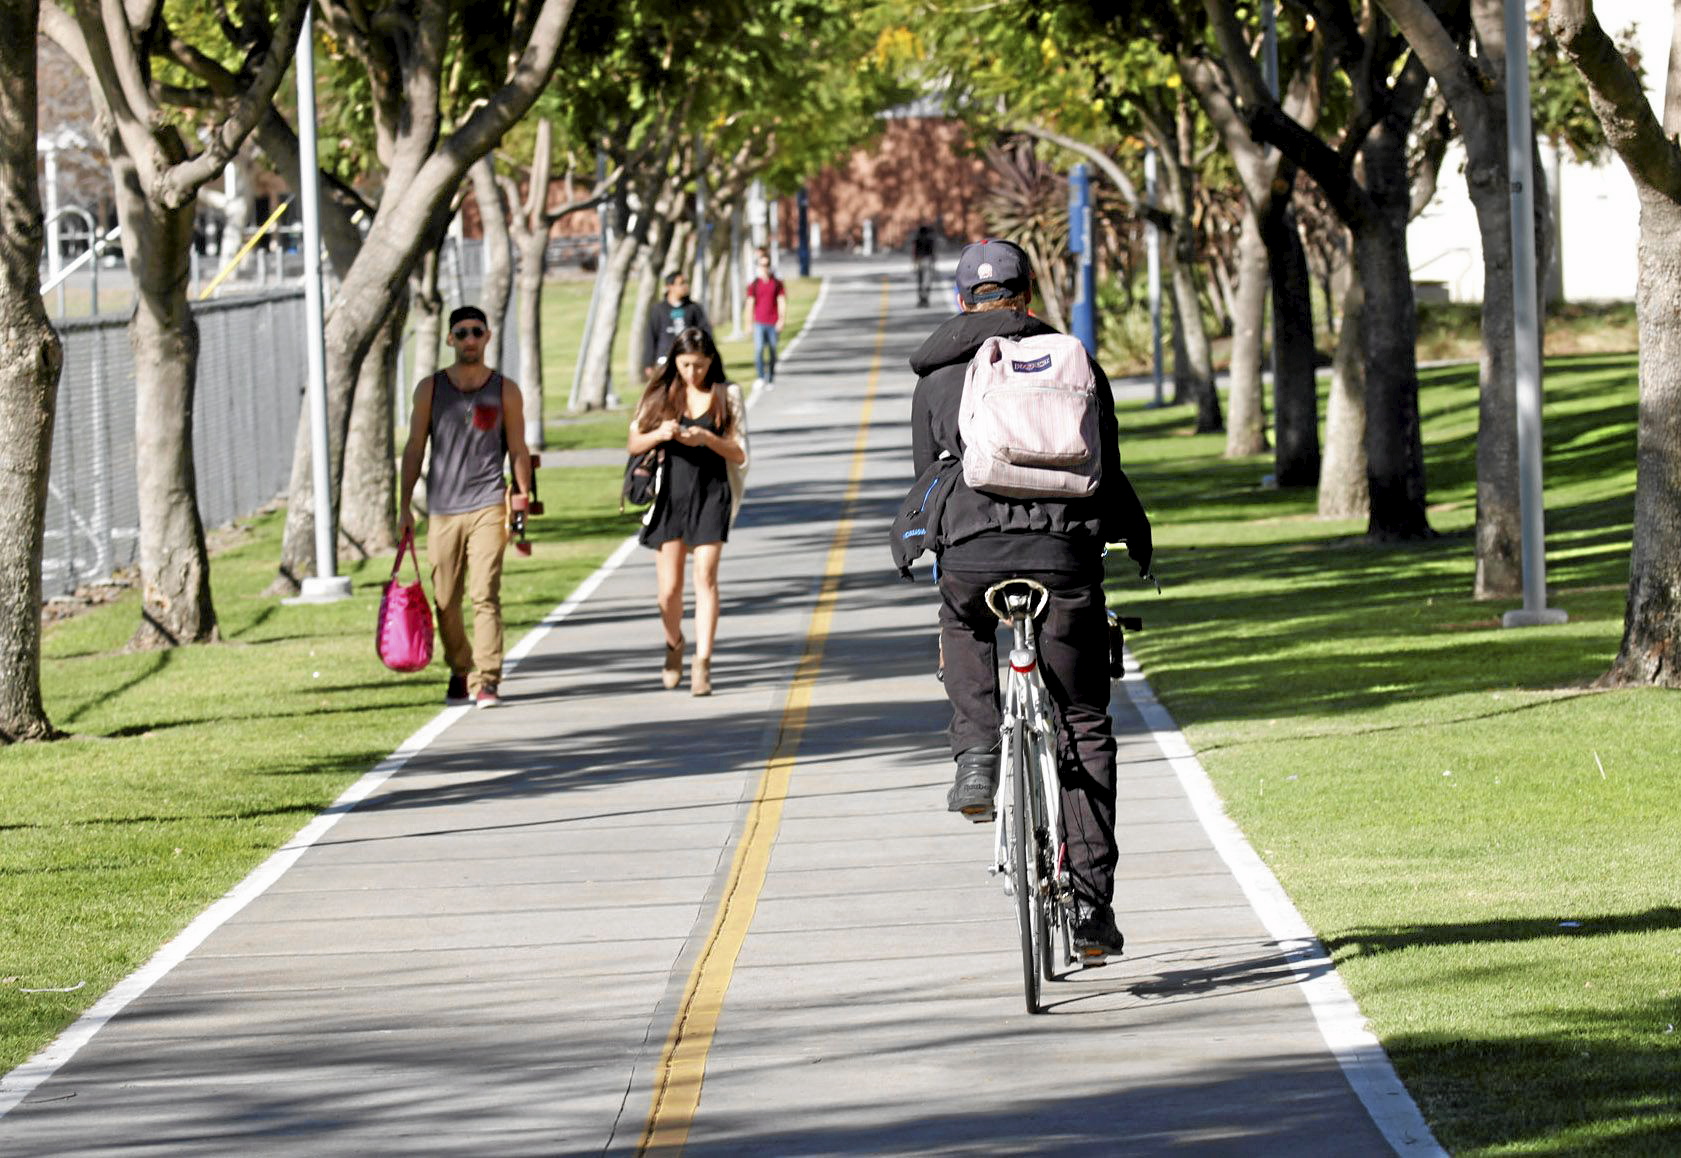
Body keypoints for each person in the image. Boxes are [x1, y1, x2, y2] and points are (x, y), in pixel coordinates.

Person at [905, 239, 1153, 958]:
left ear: (962, 302)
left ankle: (977, 755)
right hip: (1064, 555)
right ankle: (1089, 909)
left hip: (974, 558)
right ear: (1028, 295)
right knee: (1082, 720)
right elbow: (1106, 465)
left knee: (960, 617)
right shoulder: (1073, 359)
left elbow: (927, 482)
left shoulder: (933, 379)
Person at [398, 305, 533, 709]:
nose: (470, 339)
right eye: (462, 333)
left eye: (476, 332)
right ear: (450, 340)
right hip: (442, 508)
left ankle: (487, 679)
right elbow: (414, 448)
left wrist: (522, 495)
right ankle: (460, 667)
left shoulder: (505, 389)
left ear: (488, 337)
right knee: (444, 600)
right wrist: (404, 505)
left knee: (484, 594)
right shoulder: (430, 389)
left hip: (489, 504)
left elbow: (518, 448)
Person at [627, 327, 749, 697]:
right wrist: (661, 433)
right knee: (669, 592)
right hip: (670, 496)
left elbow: (740, 452)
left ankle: (703, 662)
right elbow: (634, 442)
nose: (692, 373)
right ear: (675, 362)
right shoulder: (661, 394)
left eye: (698, 365)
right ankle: (674, 644)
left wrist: (707, 439)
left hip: (712, 494)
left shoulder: (727, 396)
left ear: (710, 360)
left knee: (706, 578)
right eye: (685, 365)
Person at [641, 271, 711, 381]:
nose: (685, 286)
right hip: (664, 360)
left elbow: (705, 332)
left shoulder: (694, 308)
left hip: (688, 358)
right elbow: (650, 336)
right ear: (670, 287)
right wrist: (648, 363)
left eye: (686, 282)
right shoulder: (658, 309)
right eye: (681, 283)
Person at [743, 248, 787, 390]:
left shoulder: (777, 283)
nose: (765, 268)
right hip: (759, 322)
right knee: (759, 349)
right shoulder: (754, 284)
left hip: (773, 322)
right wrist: (748, 323)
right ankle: (761, 377)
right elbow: (750, 304)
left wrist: (781, 319)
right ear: (758, 267)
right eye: (762, 265)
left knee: (773, 350)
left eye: (767, 265)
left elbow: (781, 301)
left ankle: (771, 377)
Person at [911, 224, 937, 307]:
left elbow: (914, 251)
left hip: (919, 260)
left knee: (920, 280)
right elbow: (932, 252)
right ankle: (926, 298)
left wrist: (914, 262)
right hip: (927, 260)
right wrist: (933, 264)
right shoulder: (930, 240)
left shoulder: (917, 239)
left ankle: (921, 299)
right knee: (927, 280)